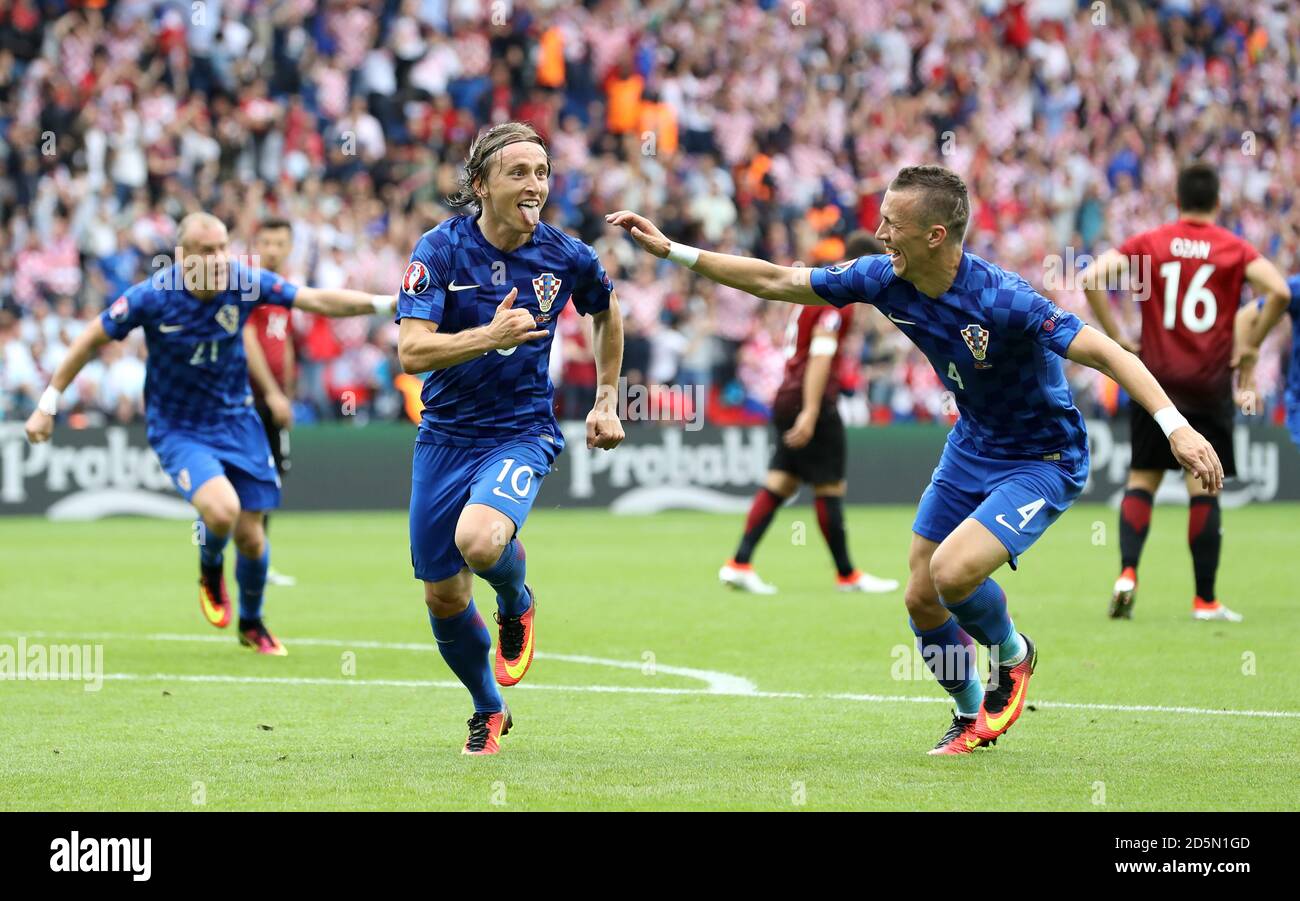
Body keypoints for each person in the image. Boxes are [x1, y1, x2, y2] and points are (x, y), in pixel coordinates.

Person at [607, 165, 1222, 755]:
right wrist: (673, 252)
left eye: (891, 224)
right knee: (920, 598)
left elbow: (1110, 354)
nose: (879, 235)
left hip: (1043, 456)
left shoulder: (1006, 299)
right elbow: (780, 280)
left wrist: (1175, 426)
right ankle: (966, 710)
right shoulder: (882, 278)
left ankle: (1012, 654)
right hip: (971, 445)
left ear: (935, 236)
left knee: (953, 575)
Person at [24, 212, 395, 655]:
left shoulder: (243, 281)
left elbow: (313, 300)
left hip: (238, 422)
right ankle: (210, 568)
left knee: (253, 537)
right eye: (207, 249)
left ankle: (252, 623)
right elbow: (90, 338)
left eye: (223, 246)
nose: (219, 257)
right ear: (183, 257)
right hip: (179, 428)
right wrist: (48, 405)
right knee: (222, 512)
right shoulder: (153, 296)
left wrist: (388, 305)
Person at [396, 123, 625, 756]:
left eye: (542, 172)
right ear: (481, 185)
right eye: (518, 173)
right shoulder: (437, 252)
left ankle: (517, 599)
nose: (535, 185)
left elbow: (606, 311)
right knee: (443, 595)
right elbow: (412, 351)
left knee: (479, 539)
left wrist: (606, 397)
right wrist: (486, 338)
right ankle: (487, 707)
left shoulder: (567, 256)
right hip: (444, 437)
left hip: (521, 430)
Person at [1080, 162, 1291, 622]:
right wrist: (1250, 347)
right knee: (1204, 489)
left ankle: (1127, 574)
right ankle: (1205, 601)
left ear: (1178, 200)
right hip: (1208, 383)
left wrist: (1119, 339)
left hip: (1155, 382)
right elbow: (1278, 290)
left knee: (1142, 479)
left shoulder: (1152, 242)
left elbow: (1092, 277)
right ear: (1217, 202)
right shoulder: (1233, 248)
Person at [719, 230, 899, 595]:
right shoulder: (838, 299)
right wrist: (813, 410)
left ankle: (739, 562)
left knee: (781, 482)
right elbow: (820, 354)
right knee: (829, 485)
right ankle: (847, 575)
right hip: (808, 397)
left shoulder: (813, 288)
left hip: (786, 394)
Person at [243, 217, 298, 587]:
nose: (274, 249)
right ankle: (253, 560)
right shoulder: (249, 285)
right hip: (249, 400)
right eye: (268, 242)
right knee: (255, 478)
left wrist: (288, 394)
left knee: (271, 477)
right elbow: (247, 338)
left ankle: (259, 558)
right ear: (256, 243)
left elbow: (285, 340)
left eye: (280, 242)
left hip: (275, 401)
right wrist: (273, 393)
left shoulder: (285, 289)